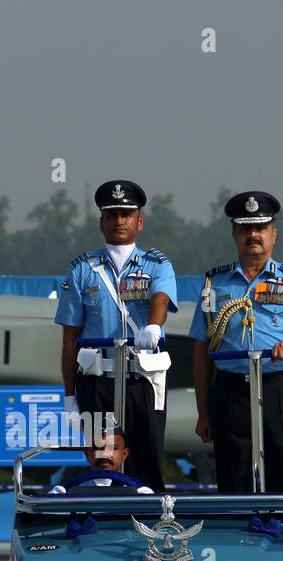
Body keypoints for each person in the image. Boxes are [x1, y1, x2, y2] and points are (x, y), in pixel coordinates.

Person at [190, 191, 283, 493]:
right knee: (232, 473)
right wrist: (204, 411)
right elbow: (201, 349)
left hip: (279, 385)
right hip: (230, 390)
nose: (253, 235)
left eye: (261, 228)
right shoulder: (215, 284)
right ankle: (238, 537)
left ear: (273, 234)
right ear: (234, 234)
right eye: (245, 228)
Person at [54, 180, 178, 491]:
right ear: (101, 222)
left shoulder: (157, 265)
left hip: (142, 383)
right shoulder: (82, 270)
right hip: (96, 383)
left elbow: (161, 298)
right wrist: (70, 395)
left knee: (146, 464)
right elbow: (70, 338)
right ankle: (102, 531)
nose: (119, 221)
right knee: (103, 463)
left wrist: (153, 325)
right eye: (112, 215)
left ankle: (148, 531)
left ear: (140, 220)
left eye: (126, 214)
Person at [48, 431, 154, 494]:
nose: (104, 454)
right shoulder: (65, 493)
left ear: (124, 454)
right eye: (98, 448)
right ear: (87, 453)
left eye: (112, 448)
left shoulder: (140, 494)